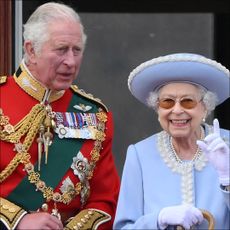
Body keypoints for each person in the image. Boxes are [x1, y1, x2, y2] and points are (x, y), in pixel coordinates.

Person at [0, 2, 120, 230]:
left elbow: (106, 200)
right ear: (31, 49)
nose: (71, 62)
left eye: (77, 50)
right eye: (61, 49)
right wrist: (17, 221)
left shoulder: (96, 116)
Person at [113, 53, 230, 229]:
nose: (176, 110)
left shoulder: (226, 147)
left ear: (205, 106)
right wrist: (158, 220)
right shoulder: (140, 154)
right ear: (157, 108)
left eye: (187, 102)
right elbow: (123, 227)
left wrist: (227, 180)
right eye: (167, 102)